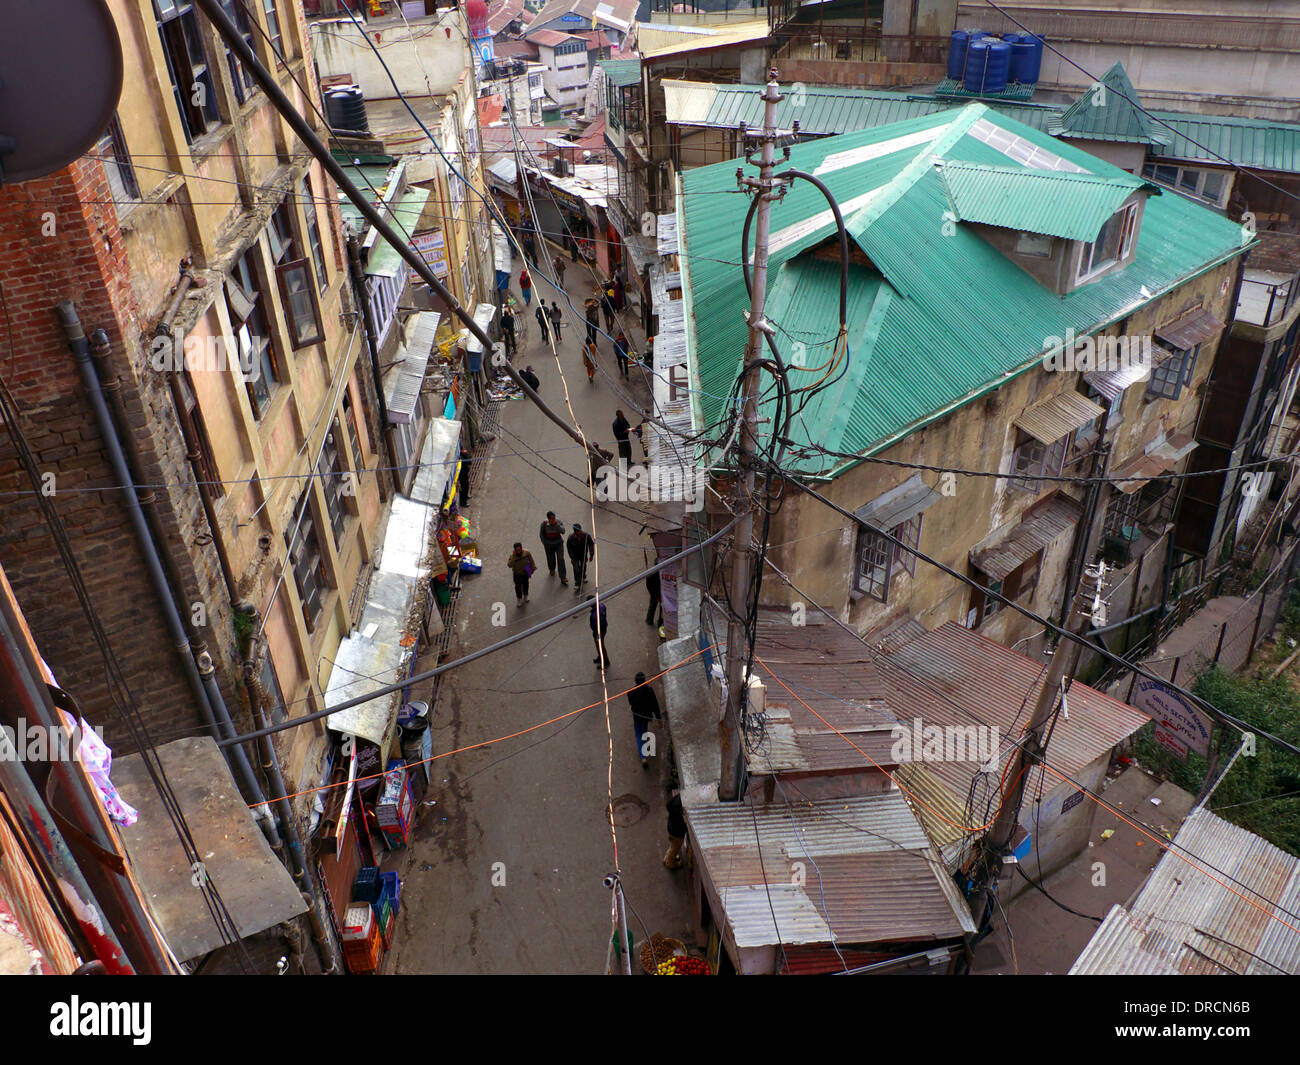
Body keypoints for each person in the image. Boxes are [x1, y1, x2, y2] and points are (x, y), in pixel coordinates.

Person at [627, 672, 662, 768]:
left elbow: (630, 702)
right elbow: (655, 705)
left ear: (635, 681)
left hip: (637, 716)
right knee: (644, 730)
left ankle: (643, 757)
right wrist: (659, 718)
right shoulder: (649, 691)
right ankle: (646, 742)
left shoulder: (630, 692)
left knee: (638, 734)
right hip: (646, 715)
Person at [538, 511, 568, 584]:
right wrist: (545, 542)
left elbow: (563, 531)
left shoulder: (558, 522)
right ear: (548, 519)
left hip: (558, 543)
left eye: (554, 518)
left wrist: (557, 525)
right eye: (551, 519)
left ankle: (563, 577)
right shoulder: (544, 524)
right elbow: (541, 535)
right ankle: (552, 569)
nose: (553, 520)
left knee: (560, 559)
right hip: (549, 544)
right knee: (550, 558)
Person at [566, 522, 594, 592]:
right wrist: (572, 558)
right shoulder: (571, 538)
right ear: (574, 532)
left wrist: (591, 554)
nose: (579, 532)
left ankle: (583, 576)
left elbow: (591, 544)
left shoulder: (586, 536)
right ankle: (577, 583)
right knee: (576, 569)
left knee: (583, 567)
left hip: (583, 555)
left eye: (580, 531)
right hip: (575, 556)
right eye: (577, 531)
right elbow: (569, 548)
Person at [665, 790, 686, 870]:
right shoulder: (679, 811)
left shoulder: (678, 800)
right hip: (676, 833)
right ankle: (670, 862)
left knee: (673, 846)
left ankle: (668, 856)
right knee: (675, 848)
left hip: (671, 828)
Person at [588, 595, 610, 668]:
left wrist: (597, 635)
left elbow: (595, 626)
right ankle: (601, 657)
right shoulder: (602, 605)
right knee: (600, 645)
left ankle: (605, 661)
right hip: (603, 628)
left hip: (598, 632)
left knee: (600, 646)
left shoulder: (595, 615)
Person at [457, 443, 471, 507]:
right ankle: (463, 502)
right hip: (462, 475)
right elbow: (469, 462)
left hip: (465, 474)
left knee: (466, 486)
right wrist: (465, 454)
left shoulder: (462, 456)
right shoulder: (460, 458)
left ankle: (466, 497)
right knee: (464, 488)